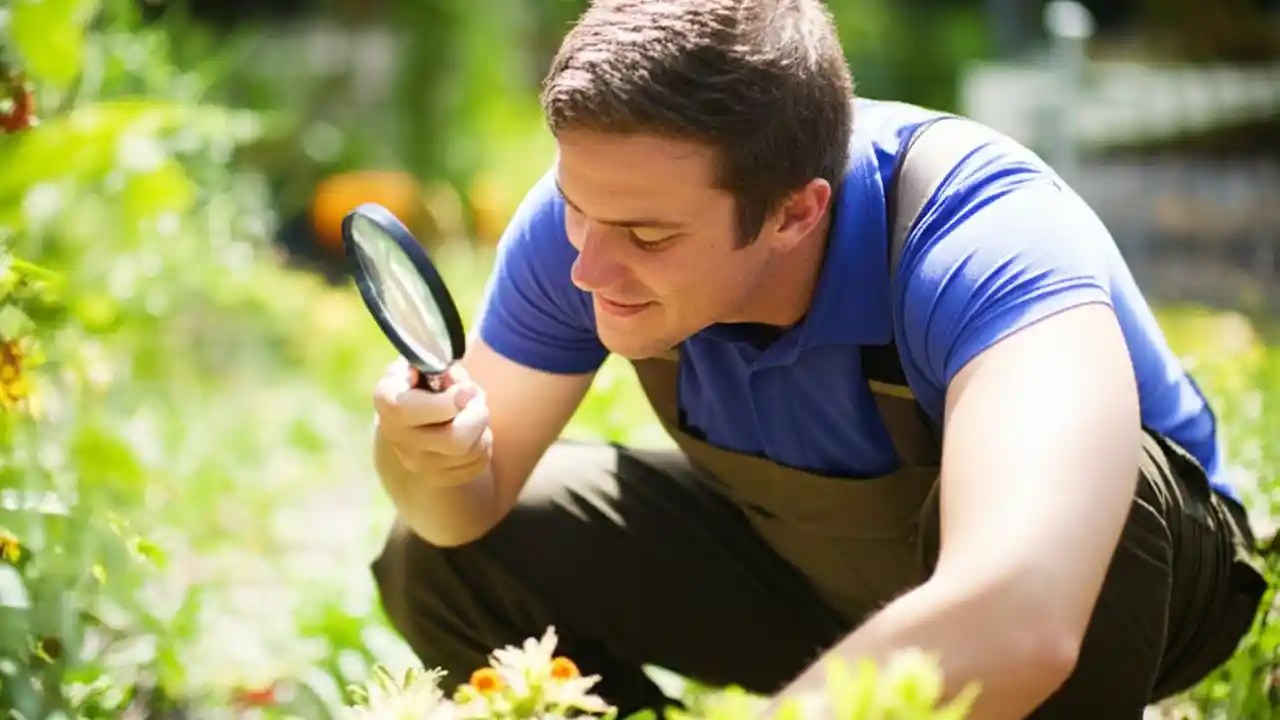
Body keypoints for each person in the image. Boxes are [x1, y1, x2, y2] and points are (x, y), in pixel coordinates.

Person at [366, 1, 1269, 717]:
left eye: (648, 235)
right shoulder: (597, 214)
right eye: (575, 207)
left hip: (1129, 594)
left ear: (797, 212)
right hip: (815, 574)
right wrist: (423, 458)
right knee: (444, 558)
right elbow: (456, 518)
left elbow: (1023, 609)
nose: (588, 266)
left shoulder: (985, 231)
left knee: (1090, 514)